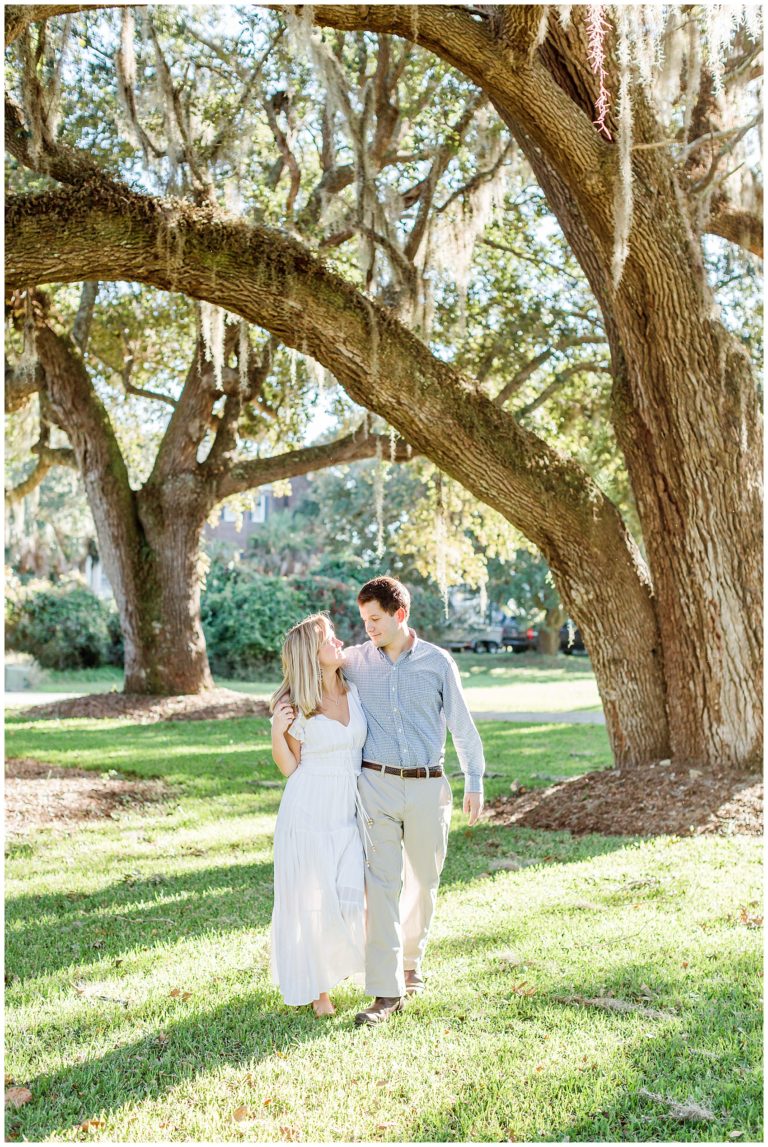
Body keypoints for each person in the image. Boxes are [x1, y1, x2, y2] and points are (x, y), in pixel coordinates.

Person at [342, 575, 485, 1026]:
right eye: (364, 620)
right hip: (376, 785)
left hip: (428, 786)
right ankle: (385, 992)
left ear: (399, 615)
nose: (368, 628)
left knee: (423, 881)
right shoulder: (354, 662)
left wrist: (474, 781)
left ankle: (410, 964)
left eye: (375, 619)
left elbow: (461, 724)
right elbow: (312, 674)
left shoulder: (437, 662)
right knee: (381, 886)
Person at [269, 613, 368, 1017]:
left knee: (349, 893)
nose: (339, 642)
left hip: (349, 808)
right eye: (329, 639)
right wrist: (277, 732)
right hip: (308, 808)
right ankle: (318, 991)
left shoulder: (354, 690)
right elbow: (290, 768)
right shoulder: (294, 705)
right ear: (312, 655)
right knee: (313, 899)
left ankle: (337, 964)